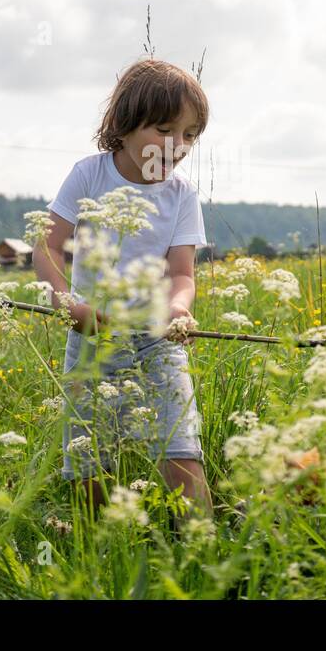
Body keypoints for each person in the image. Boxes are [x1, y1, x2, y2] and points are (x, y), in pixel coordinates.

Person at [32, 58, 214, 527]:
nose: (178, 146)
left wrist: (178, 308)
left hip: (158, 342)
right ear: (123, 124)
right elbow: (48, 246)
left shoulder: (182, 196)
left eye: (190, 134)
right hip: (92, 337)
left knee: (179, 445)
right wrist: (67, 303)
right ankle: (92, 545)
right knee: (89, 455)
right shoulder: (90, 175)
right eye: (164, 129)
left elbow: (182, 273)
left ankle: (200, 549)